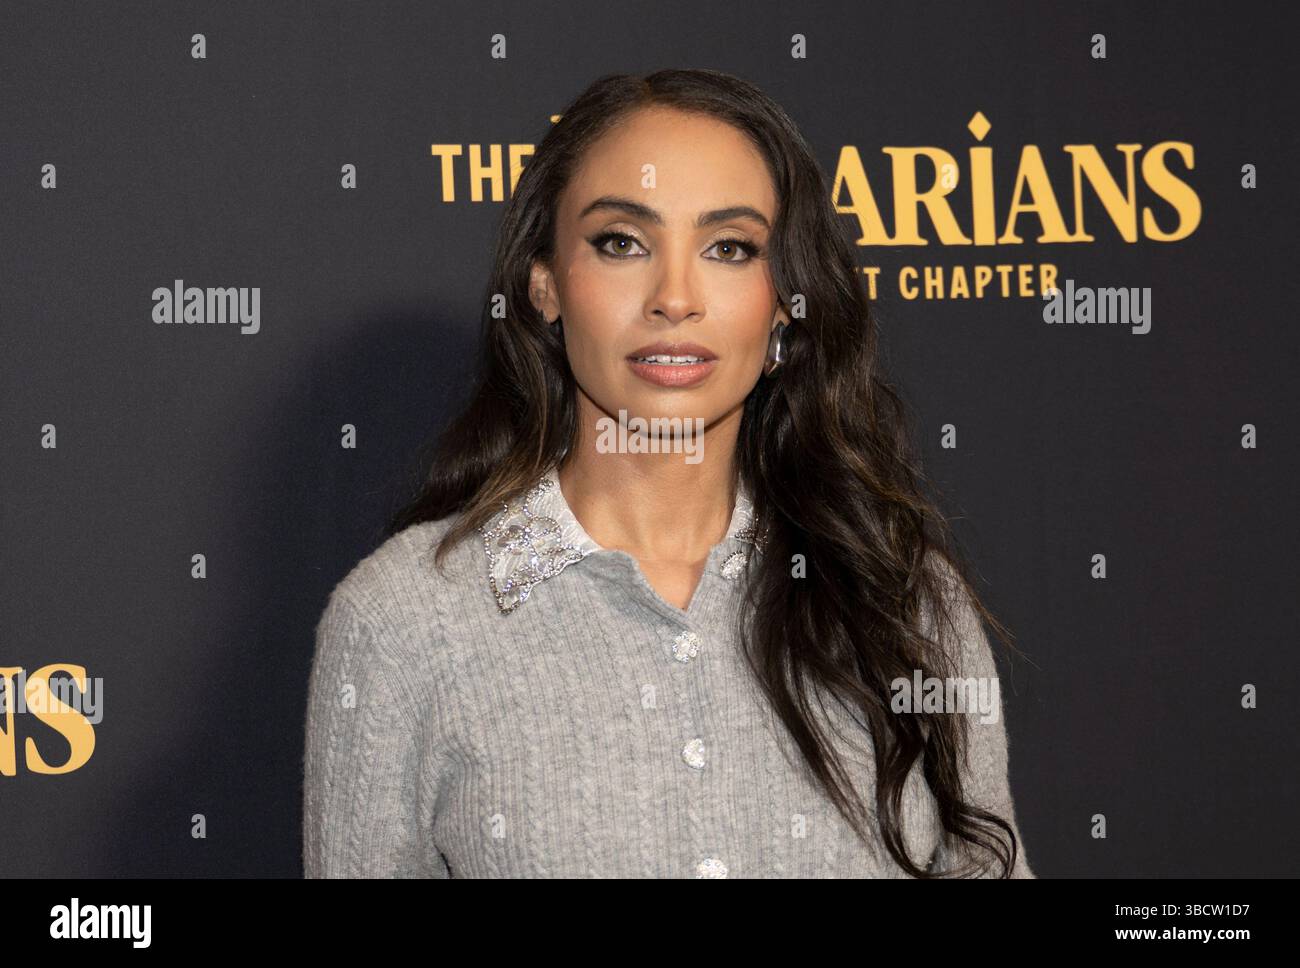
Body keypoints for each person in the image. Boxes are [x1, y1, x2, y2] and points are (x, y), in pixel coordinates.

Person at [303, 68, 1034, 878]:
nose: (675, 298)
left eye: (729, 247)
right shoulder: (401, 624)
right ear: (544, 286)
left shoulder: (904, 598)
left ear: (786, 301)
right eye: (622, 242)